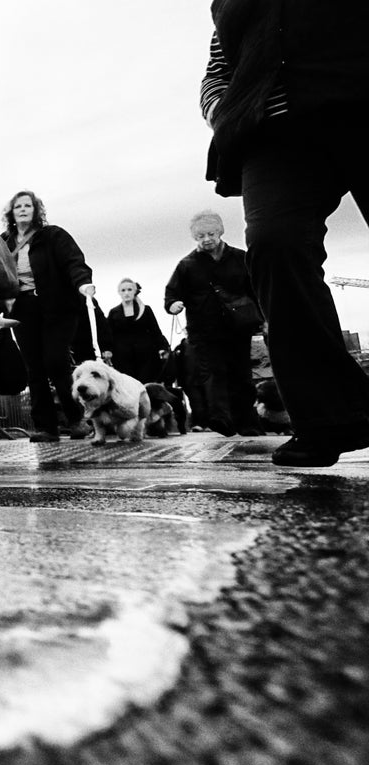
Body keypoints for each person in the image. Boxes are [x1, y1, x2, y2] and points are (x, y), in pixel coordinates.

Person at [202, 0, 369, 466]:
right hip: (273, 128)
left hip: (360, 101)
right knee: (274, 246)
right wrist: (225, 110)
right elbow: (218, 66)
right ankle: (330, 417)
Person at [0, 191, 96, 442]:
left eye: (27, 205)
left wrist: (83, 283)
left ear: (36, 210)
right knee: (34, 367)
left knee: (55, 362)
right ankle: (46, 427)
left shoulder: (53, 236)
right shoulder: (4, 243)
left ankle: (76, 420)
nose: (22, 209)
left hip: (56, 307)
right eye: (18, 206)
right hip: (22, 309)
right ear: (11, 212)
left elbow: (74, 262)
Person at [163, 211, 262, 437]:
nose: (206, 239)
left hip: (238, 328)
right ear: (194, 238)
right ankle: (221, 419)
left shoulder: (240, 258)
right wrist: (174, 305)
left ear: (220, 232)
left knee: (241, 375)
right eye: (200, 236)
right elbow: (171, 294)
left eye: (210, 234)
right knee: (212, 375)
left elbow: (256, 289)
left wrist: (263, 320)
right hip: (203, 331)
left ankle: (247, 421)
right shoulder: (187, 265)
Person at [106, 279, 170, 383]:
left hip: (146, 356)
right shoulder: (114, 312)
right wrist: (107, 350)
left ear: (135, 291)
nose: (126, 293)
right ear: (119, 292)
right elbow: (109, 334)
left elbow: (155, 330)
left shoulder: (145, 309)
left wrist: (162, 347)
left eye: (129, 289)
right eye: (123, 290)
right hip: (123, 357)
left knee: (147, 384)